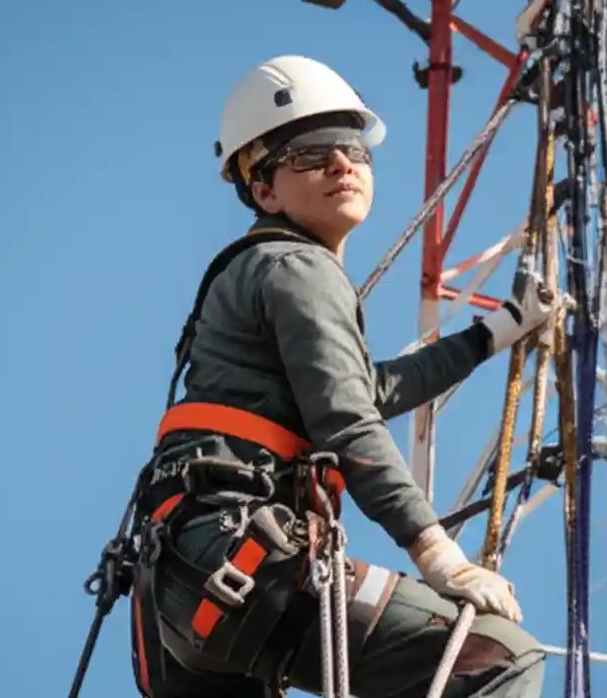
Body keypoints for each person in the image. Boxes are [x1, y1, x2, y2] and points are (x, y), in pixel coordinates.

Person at [126, 54, 549, 698]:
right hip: (238, 560)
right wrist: (437, 554)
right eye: (309, 153)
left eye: (352, 148)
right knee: (501, 658)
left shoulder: (259, 274)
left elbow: (362, 393)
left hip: (182, 592)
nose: (341, 163)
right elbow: (349, 420)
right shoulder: (297, 267)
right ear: (263, 188)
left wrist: (492, 334)